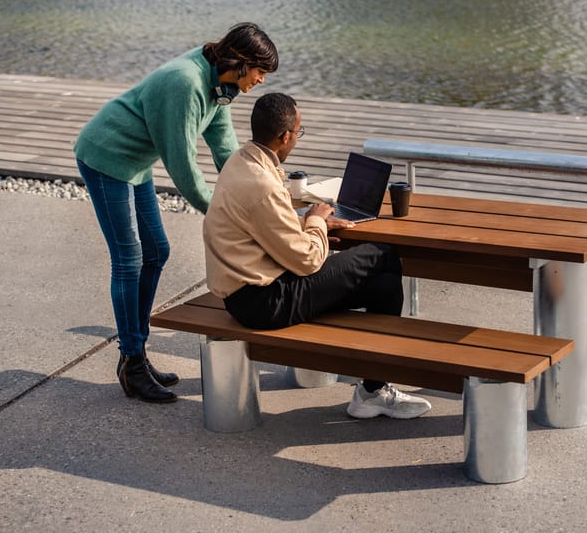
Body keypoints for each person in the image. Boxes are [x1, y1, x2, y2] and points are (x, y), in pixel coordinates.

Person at [74, 23, 278, 403]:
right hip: (106, 157)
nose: (261, 80)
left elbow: (223, 144)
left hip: (135, 162)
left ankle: (136, 353)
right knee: (129, 260)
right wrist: (218, 212)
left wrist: (254, 190)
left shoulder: (220, 83)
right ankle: (133, 363)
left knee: (156, 251)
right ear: (242, 61)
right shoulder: (185, 83)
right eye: (260, 71)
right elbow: (182, 164)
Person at [203, 92, 432, 419]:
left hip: (243, 291)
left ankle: (373, 389)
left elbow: (261, 224)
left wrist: (311, 223)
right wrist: (315, 222)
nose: (298, 138)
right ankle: (372, 391)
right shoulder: (263, 185)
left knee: (383, 283)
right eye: (299, 132)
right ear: (285, 136)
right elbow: (307, 260)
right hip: (264, 301)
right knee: (382, 254)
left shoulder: (240, 161)